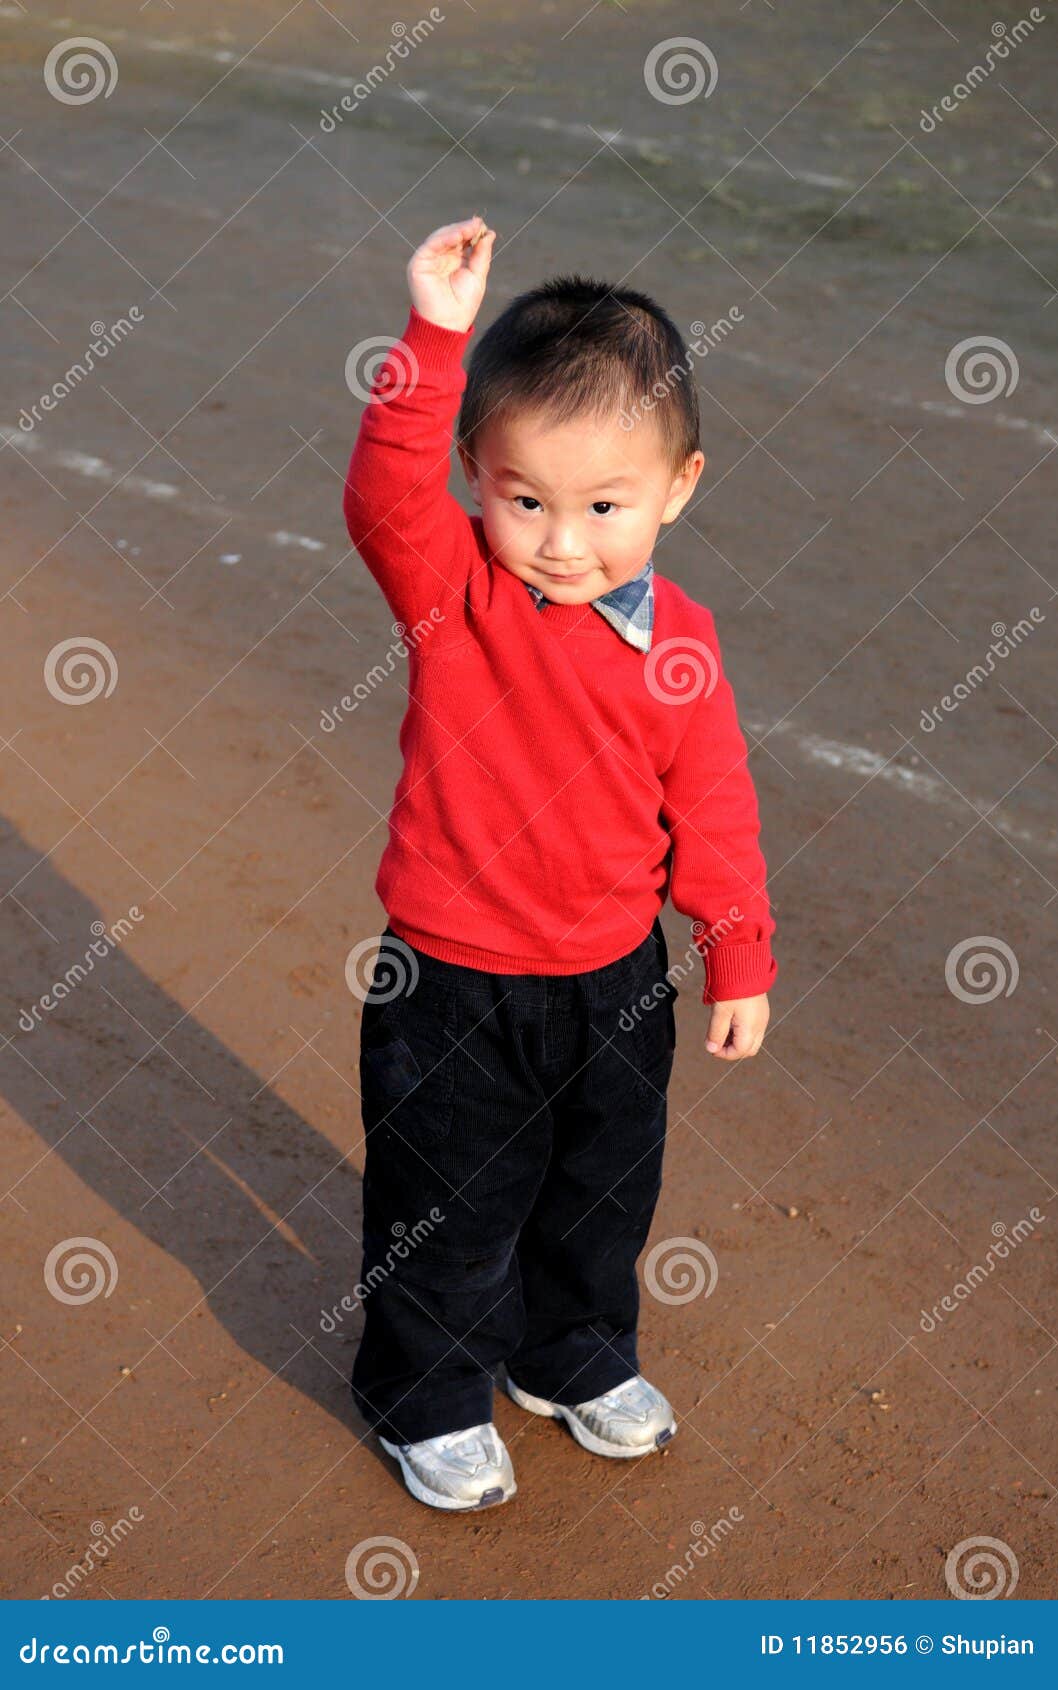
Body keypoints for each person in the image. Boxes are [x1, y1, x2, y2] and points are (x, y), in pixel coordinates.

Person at [341, 214, 777, 1511]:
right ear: (478, 472)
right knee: (449, 1198)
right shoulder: (453, 590)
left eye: (605, 505)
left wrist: (735, 950)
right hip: (451, 983)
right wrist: (433, 331)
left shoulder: (680, 641)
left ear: (680, 485)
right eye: (525, 498)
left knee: (600, 1186)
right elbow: (381, 489)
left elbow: (715, 802)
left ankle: (571, 1351)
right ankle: (422, 1390)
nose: (563, 539)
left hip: (615, 981)